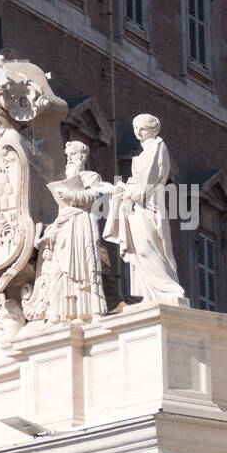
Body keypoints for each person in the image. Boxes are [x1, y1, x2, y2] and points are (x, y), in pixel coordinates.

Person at [103, 114, 188, 306]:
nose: (137, 132)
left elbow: (146, 184)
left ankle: (169, 289)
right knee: (141, 248)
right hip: (138, 204)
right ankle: (152, 294)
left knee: (147, 246)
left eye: (142, 128)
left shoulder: (156, 147)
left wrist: (127, 191)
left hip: (148, 205)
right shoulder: (146, 151)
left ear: (153, 130)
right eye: (135, 128)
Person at [39, 141, 111, 323]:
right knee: (59, 271)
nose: (69, 159)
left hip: (82, 224)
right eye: (68, 155)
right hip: (65, 226)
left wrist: (72, 196)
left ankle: (85, 313)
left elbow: (93, 197)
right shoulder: (64, 183)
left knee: (83, 269)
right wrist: (50, 233)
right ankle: (61, 314)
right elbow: (61, 212)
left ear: (82, 157)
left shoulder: (92, 177)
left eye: (73, 154)